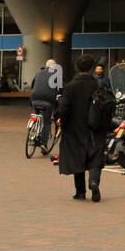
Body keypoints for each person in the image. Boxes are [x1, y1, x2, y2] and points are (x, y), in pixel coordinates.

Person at [55, 56, 107, 202]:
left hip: (74, 127)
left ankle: (80, 192)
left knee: (77, 158)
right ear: (91, 68)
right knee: (95, 157)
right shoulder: (98, 85)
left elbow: (63, 108)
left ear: (77, 68)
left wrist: (60, 119)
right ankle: (94, 182)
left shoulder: (70, 86)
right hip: (96, 127)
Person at [29, 59, 61, 149]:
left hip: (34, 99)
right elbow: (61, 88)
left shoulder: (39, 72)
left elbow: (32, 85)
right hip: (48, 101)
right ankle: (43, 143)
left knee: (37, 114)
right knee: (47, 122)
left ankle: (34, 131)